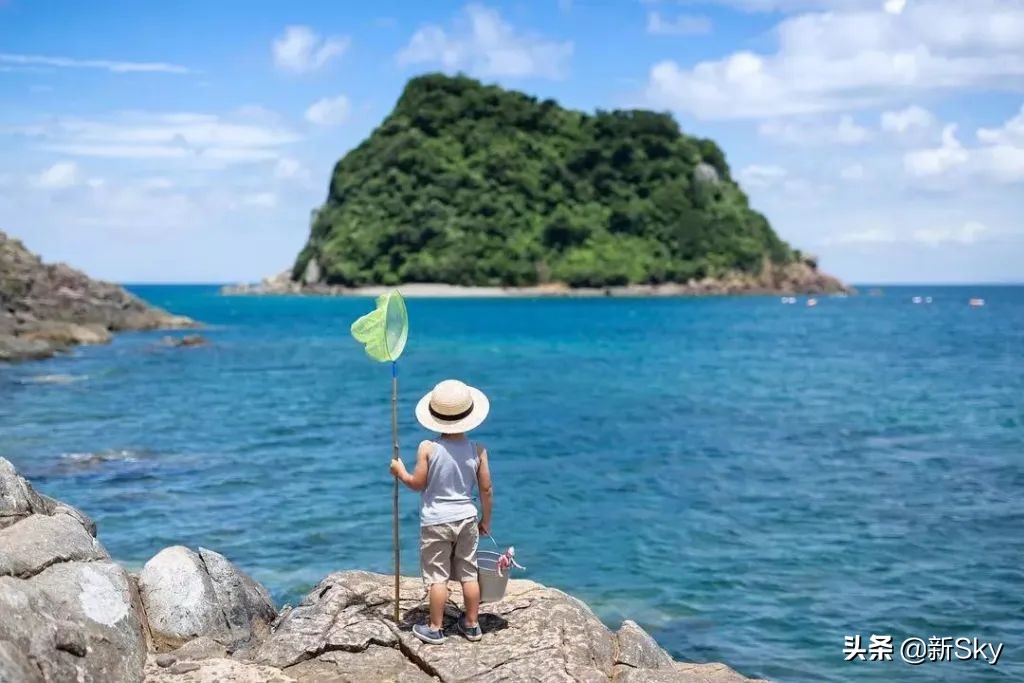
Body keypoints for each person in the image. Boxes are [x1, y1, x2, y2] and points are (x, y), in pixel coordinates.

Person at [390, 379, 493, 645]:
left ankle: (435, 628)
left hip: (436, 521)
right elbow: (487, 489)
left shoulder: (428, 448)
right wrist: (486, 519)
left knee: (438, 577)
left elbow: (417, 484)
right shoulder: (478, 450)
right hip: (467, 518)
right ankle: (471, 624)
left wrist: (400, 472)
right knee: (469, 572)